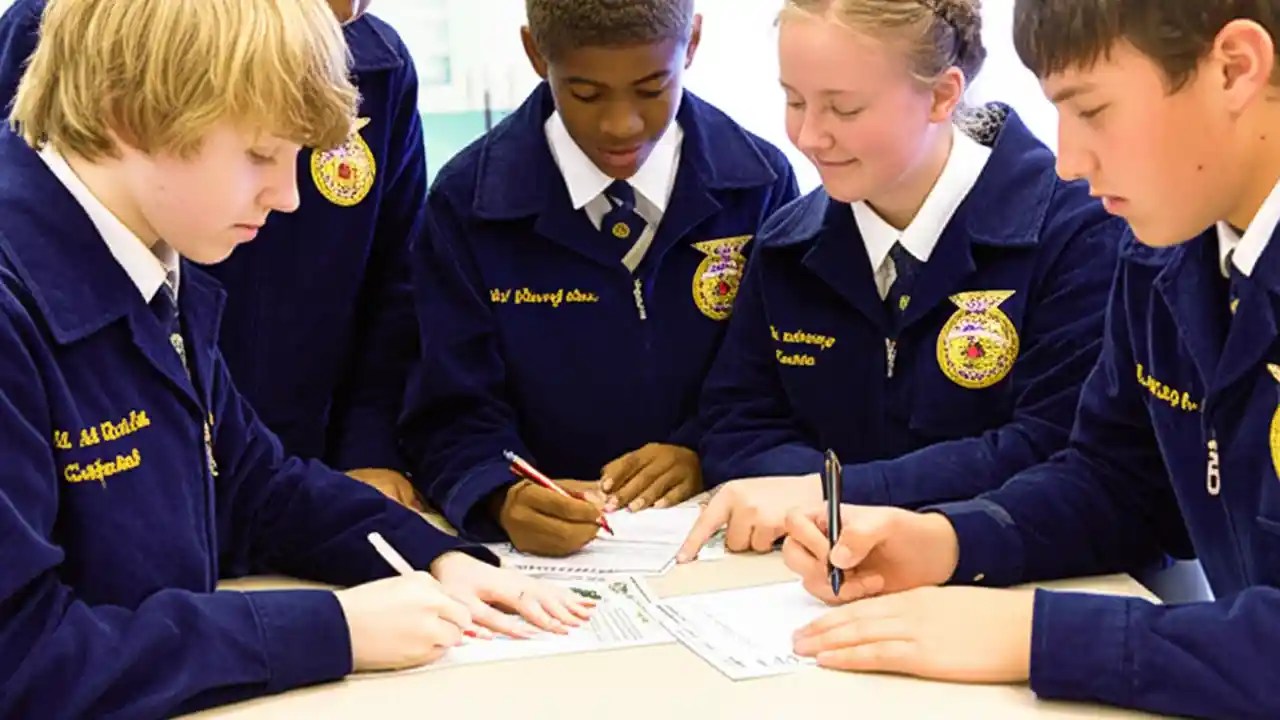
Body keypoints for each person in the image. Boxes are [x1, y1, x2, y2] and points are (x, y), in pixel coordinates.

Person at [0, 1, 590, 717]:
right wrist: (332, 630)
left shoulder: (152, 255)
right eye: (260, 155)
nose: (287, 197)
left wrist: (437, 555)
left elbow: (254, 486)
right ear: (130, 116)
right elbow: (21, 657)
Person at [781, 2, 1280, 718]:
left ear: (1233, 68)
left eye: (1093, 111)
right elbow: (1120, 484)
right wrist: (950, 539)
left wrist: (1041, 636)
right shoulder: (1163, 256)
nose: (1069, 160)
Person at [678, 0, 1122, 560]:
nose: (809, 136)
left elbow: (1057, 448)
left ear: (942, 96)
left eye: (844, 109)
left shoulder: (1079, 233)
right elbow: (735, 427)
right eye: (794, 100)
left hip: (1026, 572)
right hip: (816, 570)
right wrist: (824, 506)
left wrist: (837, 495)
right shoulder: (785, 246)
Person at [400, 0, 800, 556]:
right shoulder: (466, 203)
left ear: (691, 44)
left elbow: (782, 382)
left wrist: (704, 450)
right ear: (536, 53)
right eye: (586, 94)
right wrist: (500, 494)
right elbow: (448, 406)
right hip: (542, 559)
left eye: (652, 89)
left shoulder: (761, 184)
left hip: (722, 547)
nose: (621, 125)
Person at [0, 0, 429, 510]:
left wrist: (370, 451)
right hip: (105, 444)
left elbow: (397, 280)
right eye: (261, 154)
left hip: (269, 458)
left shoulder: (177, 294)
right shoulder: (62, 25)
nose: (287, 196)